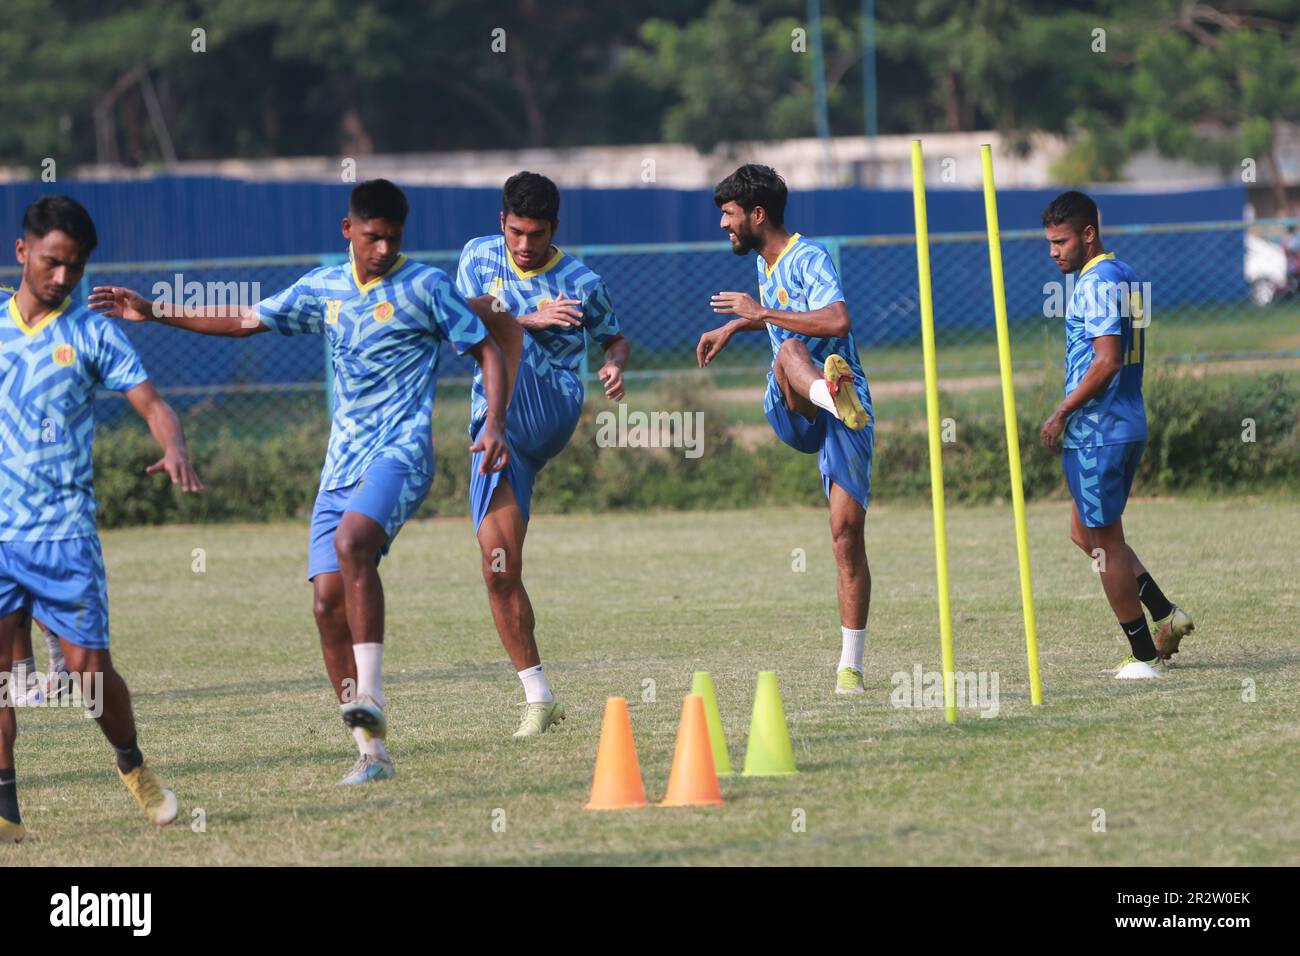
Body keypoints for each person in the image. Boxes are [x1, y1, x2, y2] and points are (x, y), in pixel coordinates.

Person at [90, 180, 511, 783]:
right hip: (340, 465)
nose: (383, 247)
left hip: (401, 453)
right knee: (324, 604)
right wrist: (153, 311)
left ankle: (372, 695)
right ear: (349, 231)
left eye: (393, 237)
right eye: (372, 236)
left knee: (354, 542)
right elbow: (243, 319)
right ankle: (371, 754)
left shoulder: (428, 286)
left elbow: (488, 350)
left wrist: (494, 423)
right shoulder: (324, 288)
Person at [2, 195, 202, 843]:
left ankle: (133, 763)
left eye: (76, 267)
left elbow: (151, 403)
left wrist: (171, 444)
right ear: (22, 253)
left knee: (88, 670)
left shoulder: (91, 332)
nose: (63, 278)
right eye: (53, 263)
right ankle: (6, 814)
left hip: (64, 535)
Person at [455, 172, 630, 736]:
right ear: (500, 223)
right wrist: (527, 317)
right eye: (515, 231)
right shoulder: (479, 257)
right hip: (496, 431)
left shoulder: (581, 280)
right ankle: (540, 698)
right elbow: (459, 320)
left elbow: (614, 337)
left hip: (549, 405)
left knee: (505, 338)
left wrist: (614, 364)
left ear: (555, 228)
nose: (524, 245)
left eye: (536, 233)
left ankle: (497, 418)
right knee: (497, 566)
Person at [695, 165, 874, 696]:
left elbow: (838, 320)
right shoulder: (763, 264)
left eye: (729, 215)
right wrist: (735, 324)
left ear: (757, 214)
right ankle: (826, 394)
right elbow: (781, 322)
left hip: (848, 404)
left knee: (846, 535)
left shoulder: (807, 256)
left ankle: (851, 668)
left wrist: (759, 312)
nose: (724, 226)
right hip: (796, 400)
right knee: (790, 352)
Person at [1038, 190, 1194, 679]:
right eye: (1049, 242)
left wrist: (1061, 411)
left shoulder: (1093, 282)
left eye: (1061, 241)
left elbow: (1106, 360)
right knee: (1083, 532)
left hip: (1098, 432)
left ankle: (1144, 656)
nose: (1053, 252)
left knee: (1103, 544)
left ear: (1088, 234)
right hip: (1127, 421)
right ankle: (1166, 612)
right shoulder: (1125, 273)